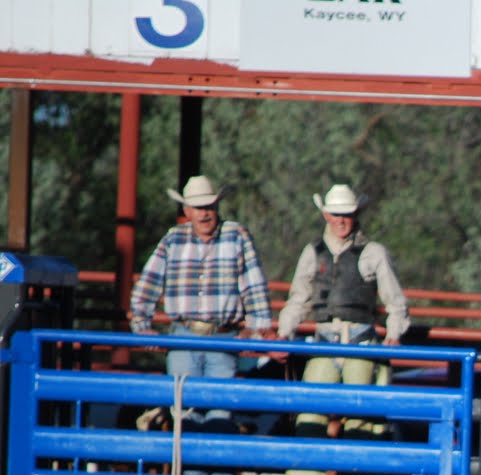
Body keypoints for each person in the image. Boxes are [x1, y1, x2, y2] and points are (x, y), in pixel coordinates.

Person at [128, 174, 273, 432]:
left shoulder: (237, 236)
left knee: (220, 412)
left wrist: (255, 331)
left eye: (208, 207)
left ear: (217, 207)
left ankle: (213, 471)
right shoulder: (173, 239)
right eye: (198, 208)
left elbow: (255, 287)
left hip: (222, 337)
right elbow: (147, 285)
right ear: (187, 210)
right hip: (183, 337)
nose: (204, 214)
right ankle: (192, 471)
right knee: (185, 414)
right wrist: (142, 326)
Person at [277, 183, 410, 440]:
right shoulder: (313, 253)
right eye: (336, 214)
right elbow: (299, 299)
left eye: (347, 214)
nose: (341, 221)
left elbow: (395, 300)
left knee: (361, 414)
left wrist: (393, 336)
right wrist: (284, 332)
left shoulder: (374, 253)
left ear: (356, 215)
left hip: (361, 342)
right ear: (326, 215)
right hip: (323, 341)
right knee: (309, 412)